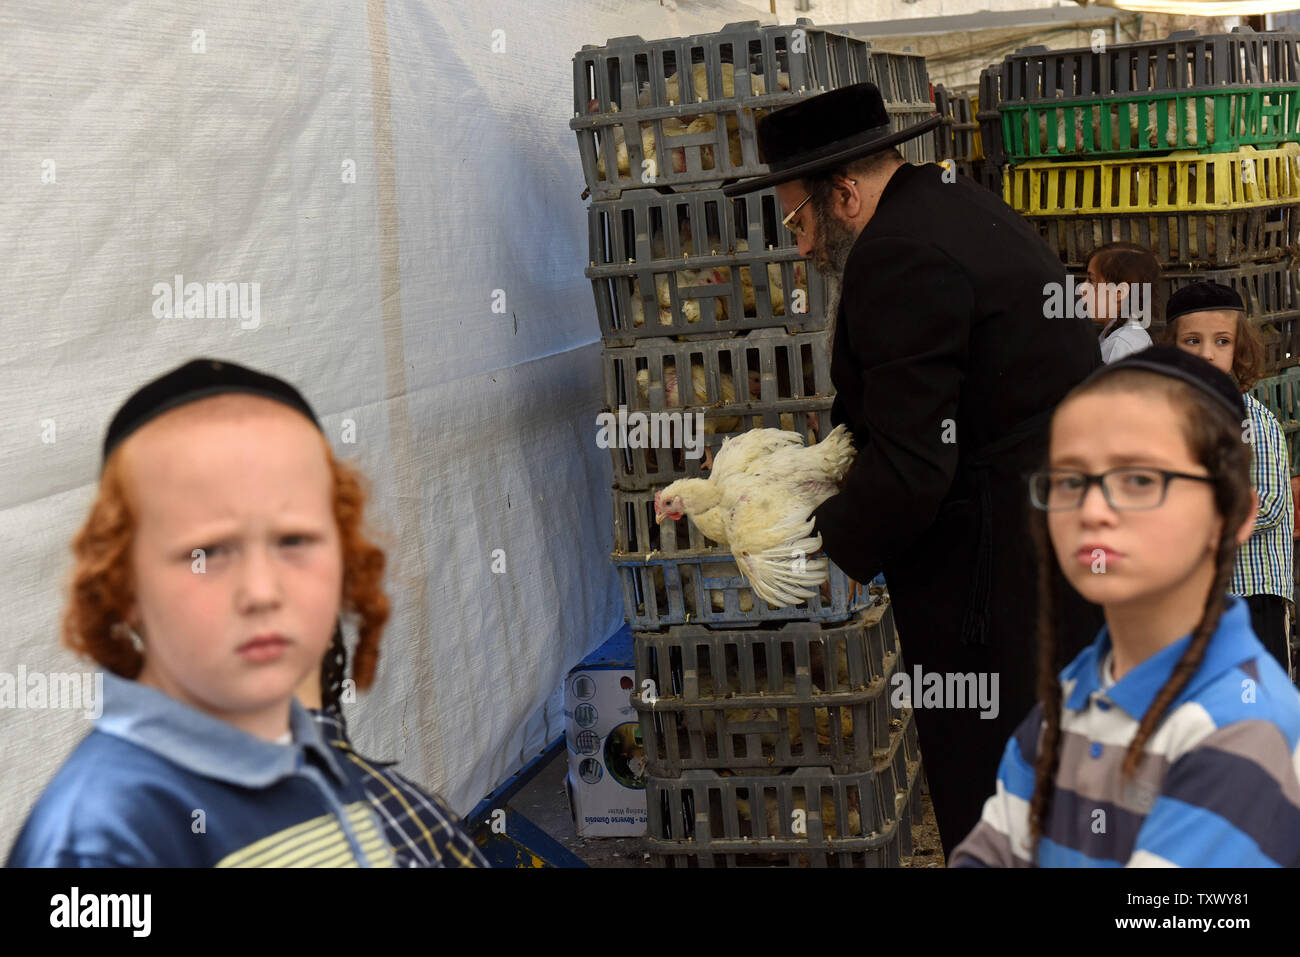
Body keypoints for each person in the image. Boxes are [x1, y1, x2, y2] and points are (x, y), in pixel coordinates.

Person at [722, 82, 1104, 857]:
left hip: (997, 582)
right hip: (1053, 545)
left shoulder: (896, 255)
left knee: (994, 790)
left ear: (845, 194)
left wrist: (808, 539)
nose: (798, 245)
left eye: (796, 219)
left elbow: (913, 462)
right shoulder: (961, 208)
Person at [6, 358, 484, 867]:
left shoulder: (321, 772)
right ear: (123, 588)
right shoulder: (101, 835)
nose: (262, 590)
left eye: (295, 540)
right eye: (207, 552)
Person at [951, 346, 1300, 867]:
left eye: (1139, 479)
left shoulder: (1247, 733)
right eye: (1070, 480)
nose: (1093, 510)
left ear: (1231, 513)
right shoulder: (1071, 697)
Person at [1163, 281, 1295, 681]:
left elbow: (1268, 503)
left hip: (1250, 593)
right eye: (1192, 341)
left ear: (1240, 349)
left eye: (1222, 341)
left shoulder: (1251, 420)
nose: (1207, 352)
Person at [1084, 241, 1157, 363]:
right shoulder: (1119, 336)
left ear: (1119, 292)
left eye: (1091, 281)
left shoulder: (1121, 344)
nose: (1082, 288)